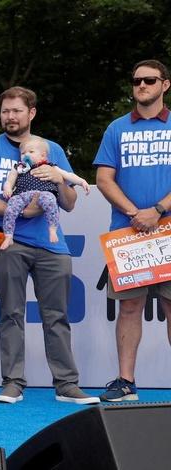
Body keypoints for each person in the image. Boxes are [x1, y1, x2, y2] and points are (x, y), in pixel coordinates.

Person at [0, 86, 99, 405]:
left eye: (16, 111)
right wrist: (22, 209)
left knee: (57, 315)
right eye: (5, 111)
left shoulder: (52, 149)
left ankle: (67, 385)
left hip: (52, 245)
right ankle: (13, 383)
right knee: (10, 313)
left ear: (32, 113)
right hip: (3, 239)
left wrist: (58, 179)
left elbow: (68, 204)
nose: (10, 117)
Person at [93, 59, 171, 402]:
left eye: (149, 80)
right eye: (137, 81)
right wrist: (134, 213)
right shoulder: (117, 129)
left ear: (164, 85)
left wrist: (157, 210)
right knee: (128, 308)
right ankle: (125, 382)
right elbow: (103, 178)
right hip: (129, 234)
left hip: (168, 230)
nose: (141, 86)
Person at [0, 136, 90, 250]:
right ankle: (8, 235)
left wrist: (82, 181)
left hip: (43, 193)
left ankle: (52, 229)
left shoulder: (50, 166)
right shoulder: (19, 167)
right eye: (23, 153)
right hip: (22, 194)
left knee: (50, 200)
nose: (26, 155)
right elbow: (9, 180)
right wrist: (7, 188)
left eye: (31, 152)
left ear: (43, 155)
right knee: (11, 207)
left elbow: (68, 175)